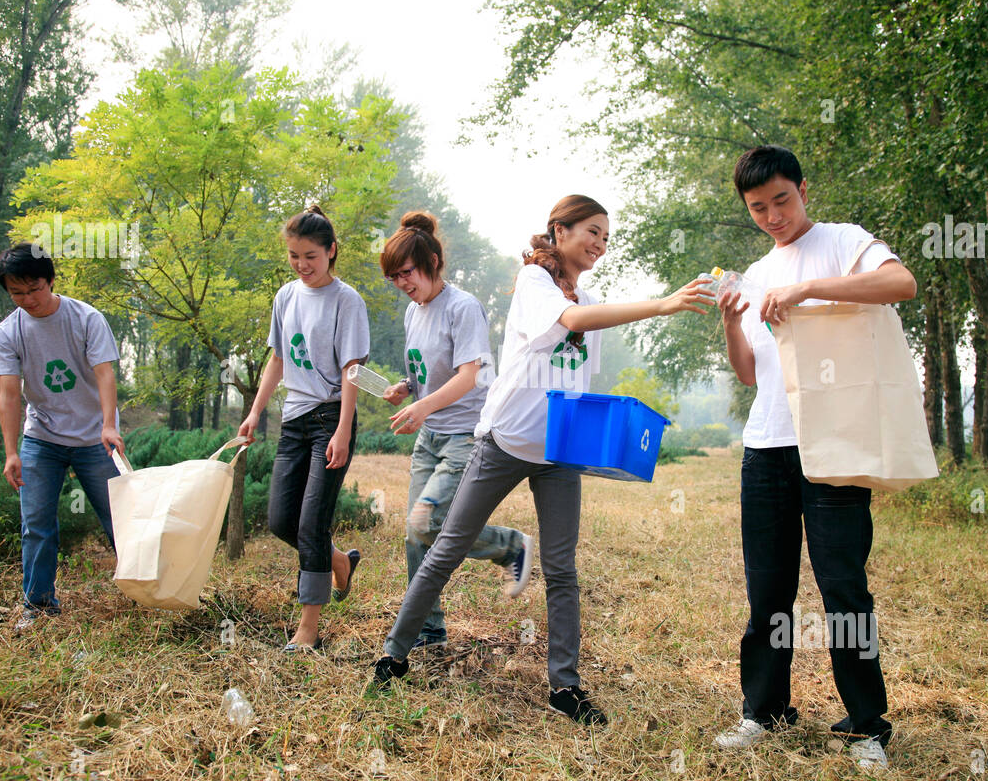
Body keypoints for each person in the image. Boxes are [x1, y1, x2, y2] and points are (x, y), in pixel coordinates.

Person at [369, 195, 714, 726]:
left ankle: (565, 687)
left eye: (605, 236)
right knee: (447, 548)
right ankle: (394, 656)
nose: (598, 243)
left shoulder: (590, 293)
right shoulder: (534, 281)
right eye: (590, 232)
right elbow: (572, 319)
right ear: (560, 230)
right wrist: (662, 302)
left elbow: (576, 373)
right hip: (504, 440)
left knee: (562, 568)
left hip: (558, 452)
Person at [712, 145, 917, 770]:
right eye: (758, 208)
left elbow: (899, 284)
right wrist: (728, 319)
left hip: (832, 441)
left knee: (843, 588)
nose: (773, 215)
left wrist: (806, 288)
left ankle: (865, 726)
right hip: (766, 446)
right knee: (767, 588)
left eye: (782, 200)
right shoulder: (752, 272)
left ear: (803, 189)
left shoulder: (843, 242)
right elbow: (750, 373)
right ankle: (764, 710)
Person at [379, 211, 533, 650]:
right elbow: (427, 371)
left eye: (407, 272)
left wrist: (421, 406)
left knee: (429, 521)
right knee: (415, 533)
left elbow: (469, 376)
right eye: (395, 277)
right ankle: (428, 631)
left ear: (430, 260)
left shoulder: (463, 307)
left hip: (465, 434)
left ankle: (508, 546)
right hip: (430, 438)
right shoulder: (414, 311)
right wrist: (405, 387)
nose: (403, 283)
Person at [238, 206, 368, 651]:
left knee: (312, 523)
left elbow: (352, 369)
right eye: (294, 256)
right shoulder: (286, 296)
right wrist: (256, 412)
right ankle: (338, 561)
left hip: (332, 417)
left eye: (311, 255)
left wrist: (343, 430)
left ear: (331, 251)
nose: (302, 265)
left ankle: (308, 629)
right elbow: (278, 360)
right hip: (293, 419)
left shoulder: (347, 301)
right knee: (280, 521)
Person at [0, 242, 126, 631]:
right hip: (42, 438)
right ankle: (38, 605)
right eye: (17, 293)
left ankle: (148, 592)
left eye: (34, 289)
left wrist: (108, 424)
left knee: (122, 520)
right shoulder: (8, 332)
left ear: (49, 280)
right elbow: (9, 395)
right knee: (36, 523)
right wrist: (12, 452)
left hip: (96, 437)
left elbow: (105, 373)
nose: (27, 299)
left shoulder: (85, 318)